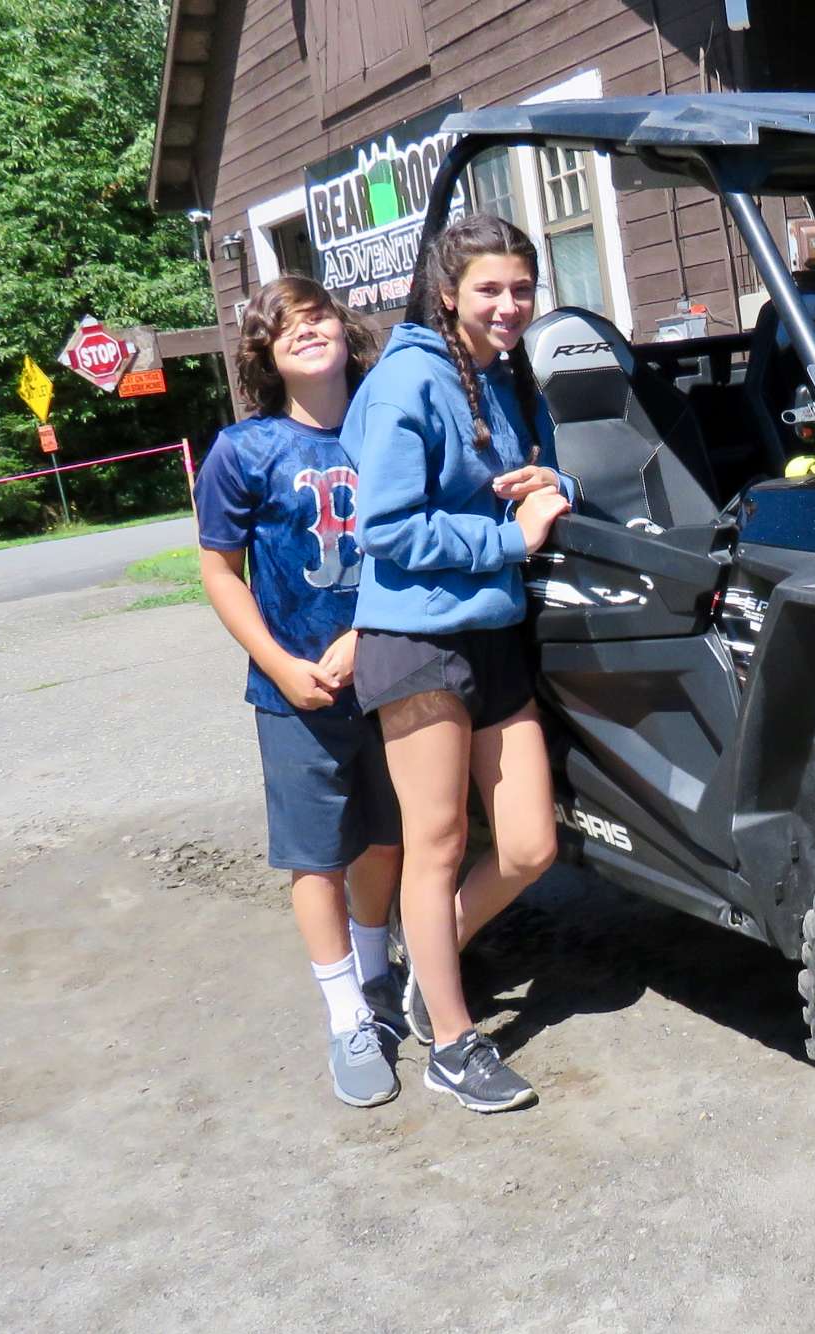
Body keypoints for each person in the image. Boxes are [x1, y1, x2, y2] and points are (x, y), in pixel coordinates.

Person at [346, 214, 576, 1114]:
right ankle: (452, 1040)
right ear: (448, 292)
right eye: (490, 289)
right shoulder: (412, 378)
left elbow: (542, 476)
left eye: (521, 288)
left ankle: (421, 962)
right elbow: (386, 528)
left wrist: (553, 488)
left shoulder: (499, 376)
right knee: (436, 841)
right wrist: (505, 538)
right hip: (417, 639)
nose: (510, 305)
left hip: (489, 633)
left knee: (528, 843)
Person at [195, 276, 405, 1109]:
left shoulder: (386, 426)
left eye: (317, 315)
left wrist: (369, 634)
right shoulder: (244, 451)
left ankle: (379, 966)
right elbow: (219, 571)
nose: (307, 331)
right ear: (265, 355)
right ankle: (344, 1008)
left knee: (389, 836)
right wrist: (280, 663)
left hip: (395, 673)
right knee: (316, 853)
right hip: (295, 694)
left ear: (344, 329)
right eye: (285, 326)